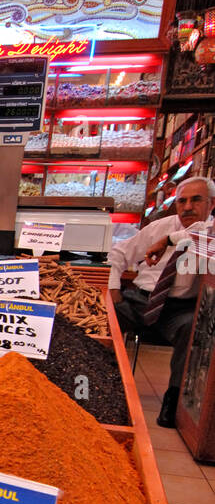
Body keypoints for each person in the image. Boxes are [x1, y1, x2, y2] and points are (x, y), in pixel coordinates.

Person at [108, 175, 215, 427]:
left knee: (192, 329)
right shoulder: (160, 226)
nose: (187, 207)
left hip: (179, 309)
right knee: (103, 317)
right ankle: (97, 383)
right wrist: (113, 288)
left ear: (211, 204)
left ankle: (173, 399)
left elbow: (202, 240)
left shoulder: (210, 234)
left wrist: (171, 240)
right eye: (181, 201)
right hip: (140, 300)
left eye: (196, 200)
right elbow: (119, 253)